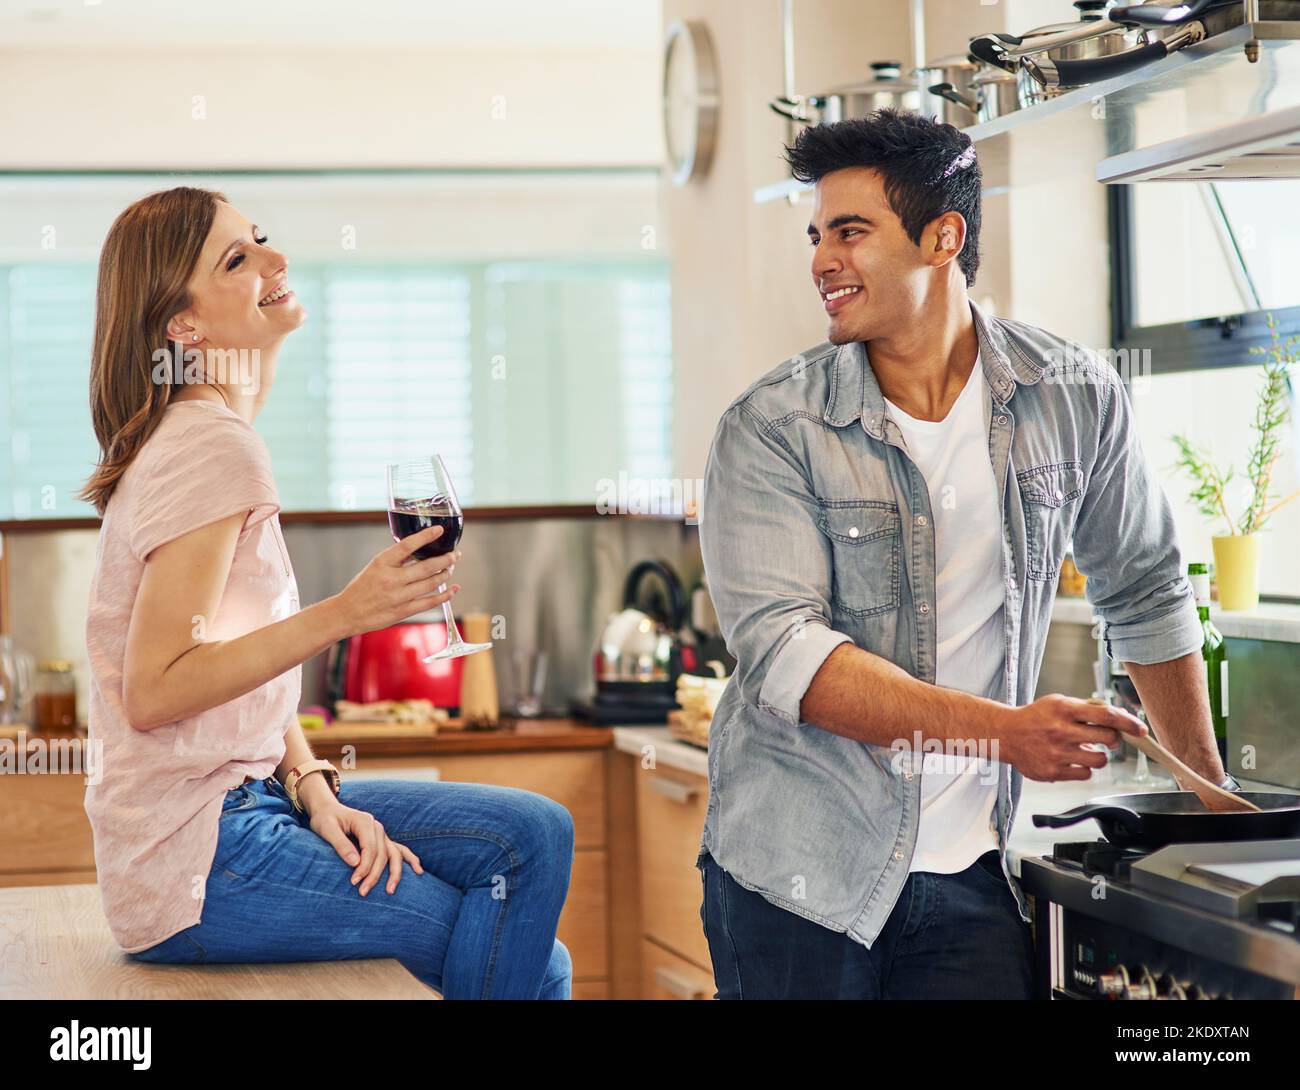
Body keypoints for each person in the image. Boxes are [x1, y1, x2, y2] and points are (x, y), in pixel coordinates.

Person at [696, 110, 1232, 1000]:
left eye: (851, 232)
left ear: (943, 236)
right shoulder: (770, 428)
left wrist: (1207, 802)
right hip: (799, 881)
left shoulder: (1070, 394)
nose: (822, 260)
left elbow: (1144, 589)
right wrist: (1009, 733)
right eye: (817, 234)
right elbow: (795, 664)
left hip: (972, 872)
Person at [81, 186, 573, 999]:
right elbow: (156, 688)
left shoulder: (204, 436)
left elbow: (238, 685)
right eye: (237, 259)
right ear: (183, 325)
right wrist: (349, 613)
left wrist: (314, 788)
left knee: (533, 832)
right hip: (202, 859)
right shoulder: (212, 446)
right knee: (540, 958)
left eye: (262, 239)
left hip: (248, 810)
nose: (276, 261)